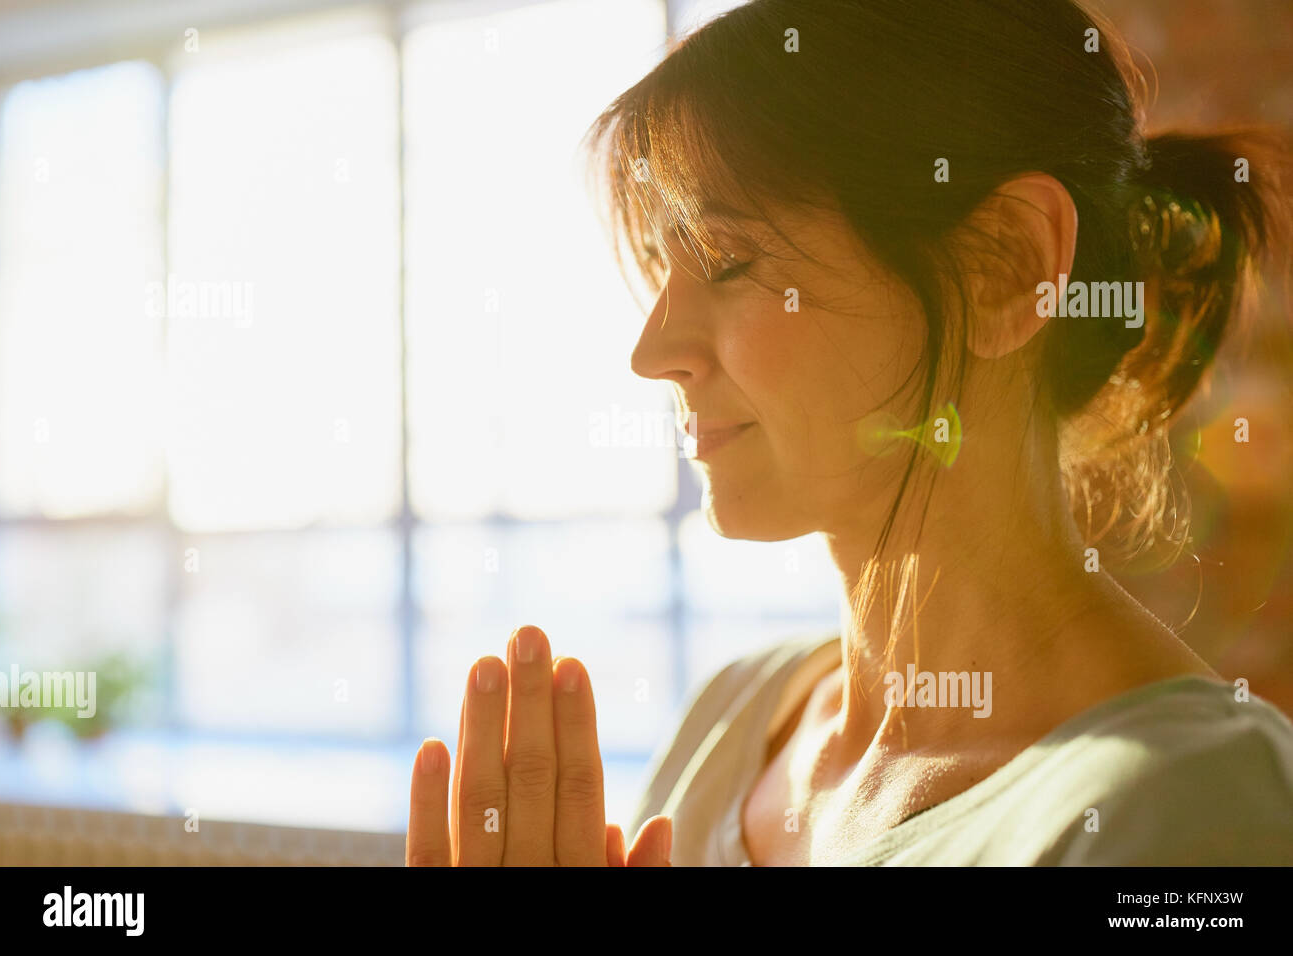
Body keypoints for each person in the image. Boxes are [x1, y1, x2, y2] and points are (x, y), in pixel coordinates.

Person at [406, 0, 1293, 866]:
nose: (652, 351)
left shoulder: (1198, 801)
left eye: (728, 262)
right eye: (662, 270)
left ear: (1007, 268)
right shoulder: (737, 718)